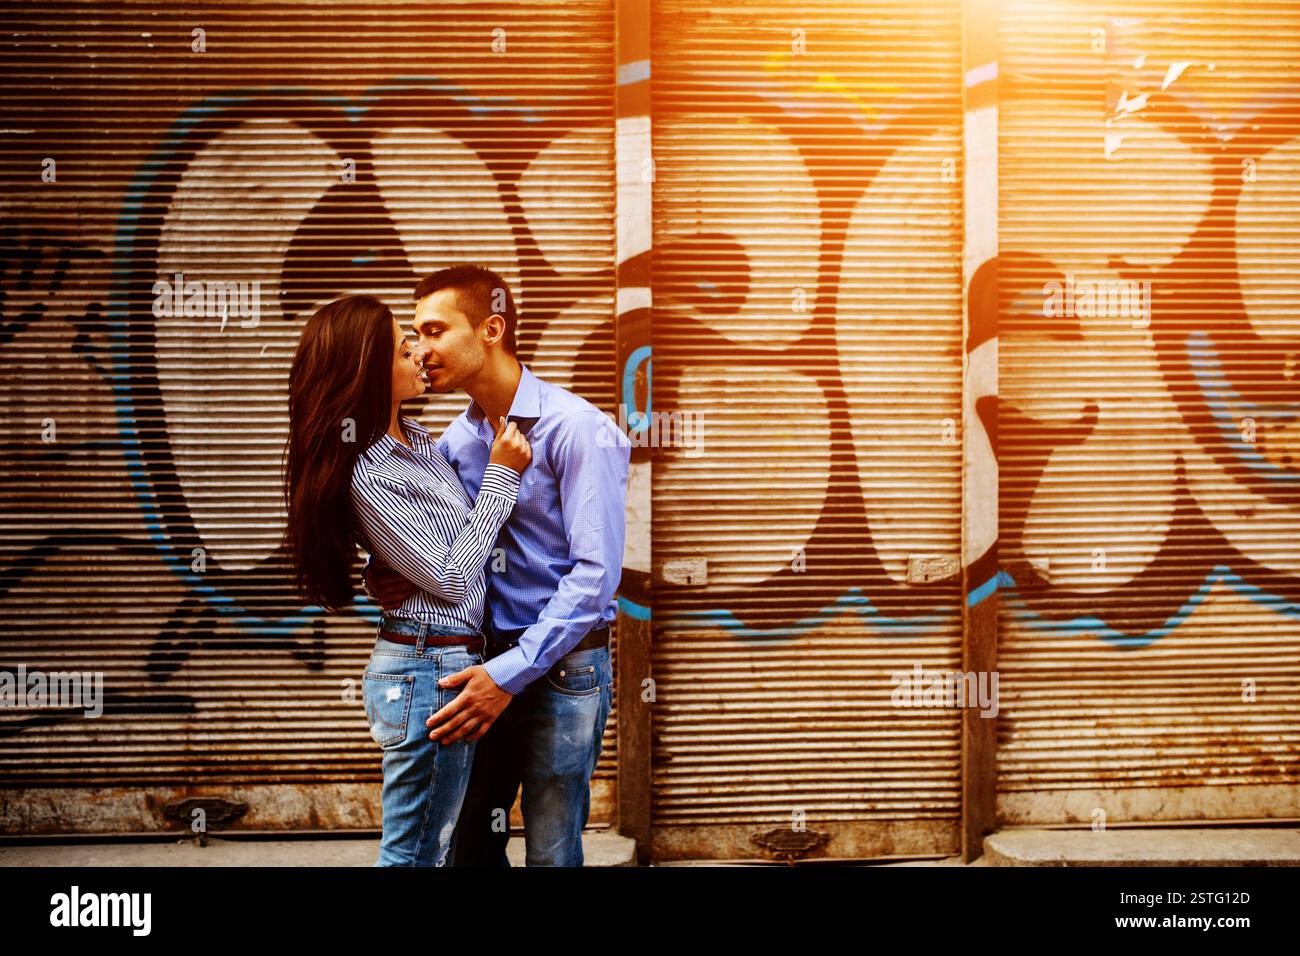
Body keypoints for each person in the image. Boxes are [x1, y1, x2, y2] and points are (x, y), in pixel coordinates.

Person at [366, 265, 631, 866]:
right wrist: (389, 568)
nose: (420, 349)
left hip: (564, 666)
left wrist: (509, 673)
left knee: (552, 847)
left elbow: (595, 578)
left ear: (490, 328)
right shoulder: (453, 445)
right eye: (413, 334)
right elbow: (449, 549)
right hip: (475, 661)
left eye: (434, 331)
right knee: (469, 846)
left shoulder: (579, 430)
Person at [281, 293, 532, 866]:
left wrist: (385, 567)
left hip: (459, 660)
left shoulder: (420, 444)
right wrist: (501, 474)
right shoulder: (364, 468)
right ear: (368, 370)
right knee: (415, 853)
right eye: (403, 347)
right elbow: (453, 573)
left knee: (449, 847)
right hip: (425, 670)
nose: (420, 353)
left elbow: (441, 541)